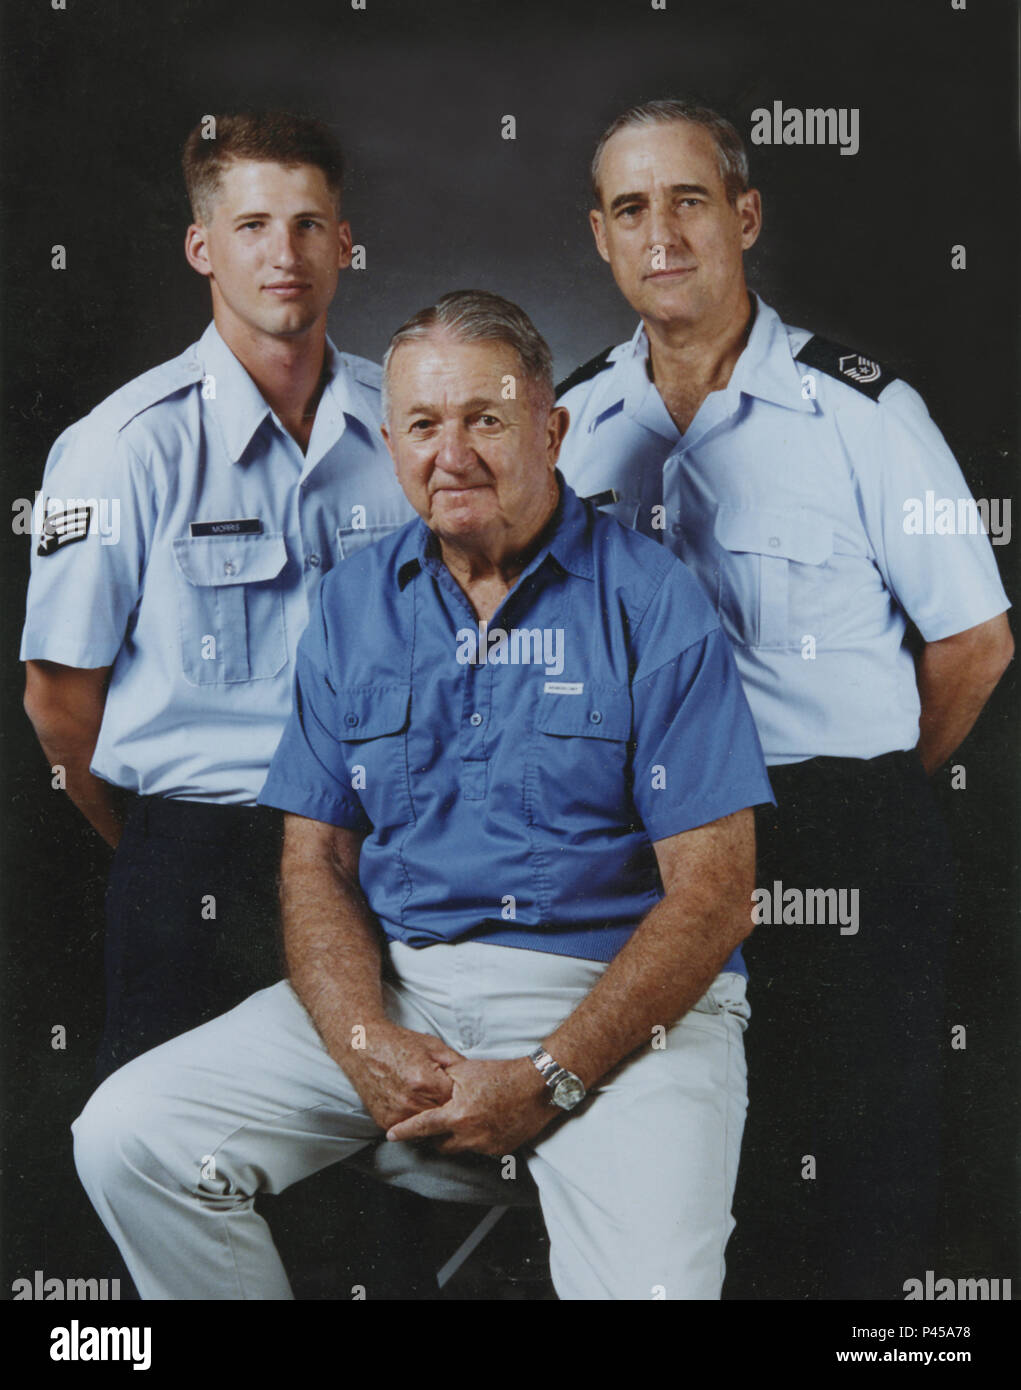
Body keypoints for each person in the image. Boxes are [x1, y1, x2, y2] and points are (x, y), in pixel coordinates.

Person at [71, 289, 775, 1301]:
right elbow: (313, 857)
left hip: (629, 1010)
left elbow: (714, 892)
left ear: (551, 427)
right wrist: (363, 1041)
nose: (452, 454)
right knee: (128, 1135)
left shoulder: (652, 598)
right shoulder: (354, 603)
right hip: (408, 987)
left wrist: (552, 1074)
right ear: (391, 439)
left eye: (485, 419)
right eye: (422, 424)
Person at [555, 98, 1014, 1298]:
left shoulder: (864, 415)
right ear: (600, 238)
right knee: (700, 1175)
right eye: (631, 209)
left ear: (745, 215)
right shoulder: (574, 427)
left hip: (840, 828)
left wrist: (861, 787)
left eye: (689, 200)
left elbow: (973, 642)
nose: (662, 234)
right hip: (646, 851)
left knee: (862, 1185)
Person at [21, 110, 413, 1081]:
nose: (285, 253)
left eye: (310, 224)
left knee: (396, 1156)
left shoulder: (407, 427)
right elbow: (58, 702)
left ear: (345, 243)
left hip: (393, 852)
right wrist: (161, 844)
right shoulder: (124, 447)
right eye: (252, 227)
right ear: (203, 246)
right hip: (204, 857)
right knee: (163, 1153)